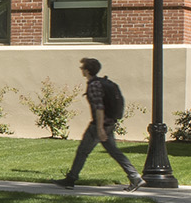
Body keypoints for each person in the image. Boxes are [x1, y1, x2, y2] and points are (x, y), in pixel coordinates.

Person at [58, 56, 137, 187]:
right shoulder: (100, 83)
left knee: (83, 151)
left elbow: (99, 108)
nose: (81, 70)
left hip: (99, 125)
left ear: (87, 70)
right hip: (109, 123)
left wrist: (99, 128)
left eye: (82, 68)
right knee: (113, 151)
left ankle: (70, 180)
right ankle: (134, 177)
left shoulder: (94, 85)